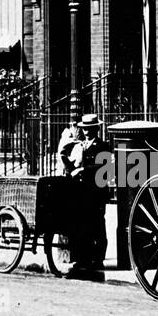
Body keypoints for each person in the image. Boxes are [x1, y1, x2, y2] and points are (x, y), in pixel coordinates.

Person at [61, 114, 110, 272]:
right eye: (85, 129)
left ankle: (97, 259)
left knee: (97, 225)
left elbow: (104, 169)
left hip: (96, 192)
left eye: (90, 129)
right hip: (81, 192)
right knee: (81, 225)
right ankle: (81, 258)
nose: (87, 132)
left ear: (96, 129)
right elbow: (72, 166)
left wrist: (83, 170)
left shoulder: (103, 146)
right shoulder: (79, 146)